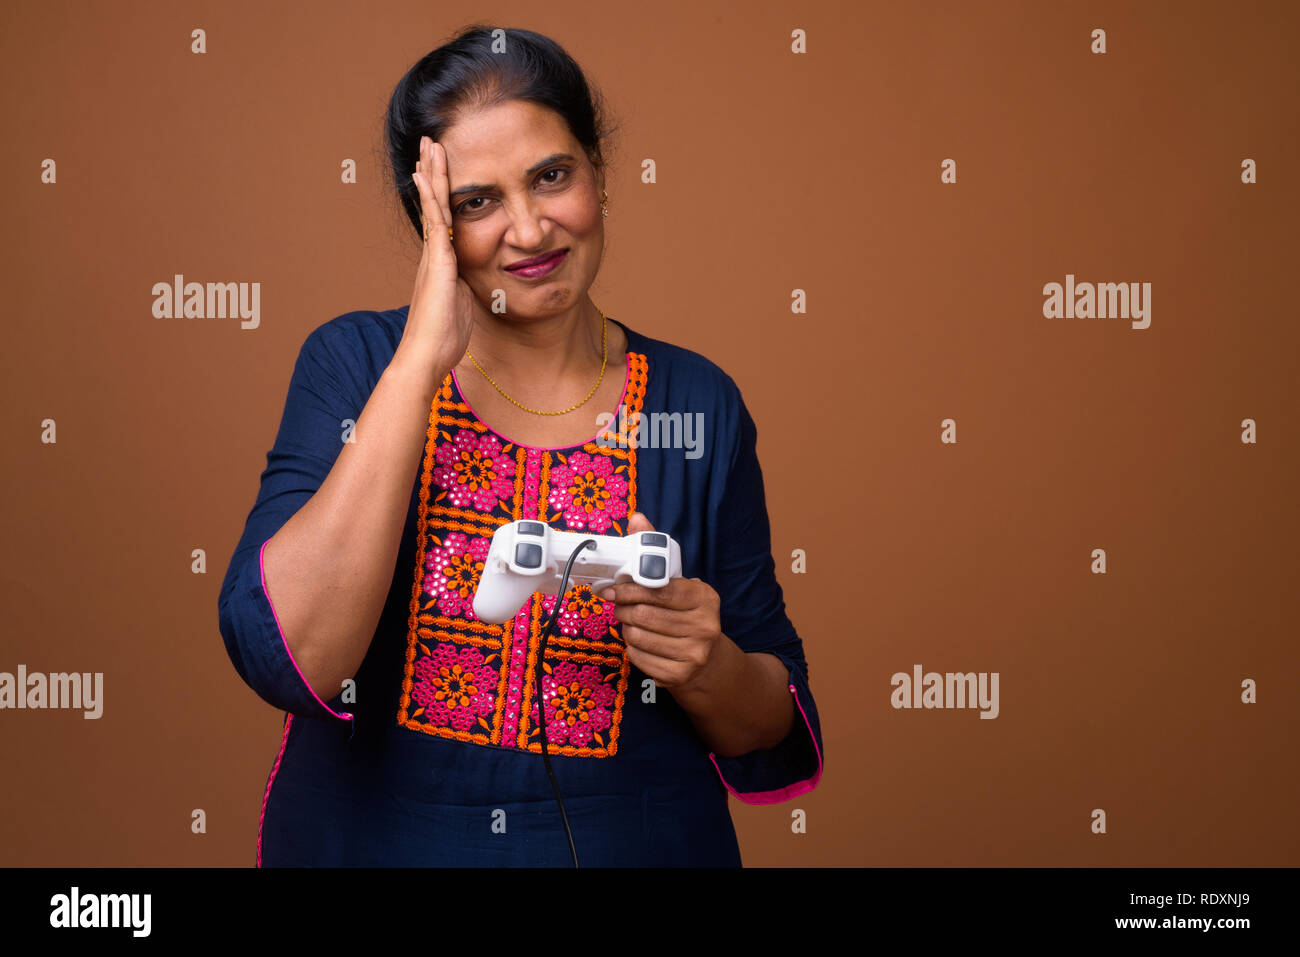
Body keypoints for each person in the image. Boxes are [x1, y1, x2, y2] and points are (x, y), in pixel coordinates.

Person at [217, 24, 823, 867]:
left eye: (551, 176)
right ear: (430, 221)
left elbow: (775, 718)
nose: (531, 229)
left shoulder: (697, 401)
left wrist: (705, 662)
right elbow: (295, 656)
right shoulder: (355, 367)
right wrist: (420, 358)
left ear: (599, 176)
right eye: (477, 202)